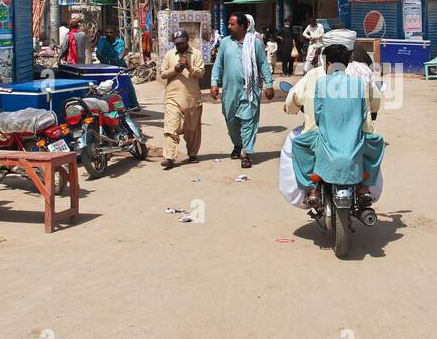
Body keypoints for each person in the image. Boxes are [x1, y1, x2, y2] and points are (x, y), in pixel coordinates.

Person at [286, 29, 385, 207]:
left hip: (325, 139)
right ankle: (365, 188)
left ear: (327, 59)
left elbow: (317, 114)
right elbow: (366, 111)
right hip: (356, 140)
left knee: (299, 145)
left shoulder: (318, 79)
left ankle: (311, 189)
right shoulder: (360, 79)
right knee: (378, 143)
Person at [210, 12, 273, 169]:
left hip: (250, 90)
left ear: (243, 26)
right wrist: (214, 83)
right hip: (230, 90)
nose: (229, 26)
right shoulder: (225, 43)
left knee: (248, 121)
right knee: (231, 120)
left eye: (232, 24)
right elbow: (218, 64)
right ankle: (237, 144)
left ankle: (246, 153)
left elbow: (263, 64)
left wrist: (269, 85)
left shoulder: (255, 44)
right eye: (229, 24)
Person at [159, 29, 205, 169]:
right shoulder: (169, 55)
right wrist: (175, 70)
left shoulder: (196, 54)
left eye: (182, 43)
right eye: (177, 44)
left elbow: (201, 72)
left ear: (187, 41)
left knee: (192, 130)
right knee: (171, 128)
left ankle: (192, 154)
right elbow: (162, 74)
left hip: (192, 98)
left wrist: (189, 67)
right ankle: (169, 158)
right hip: (172, 98)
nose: (180, 46)